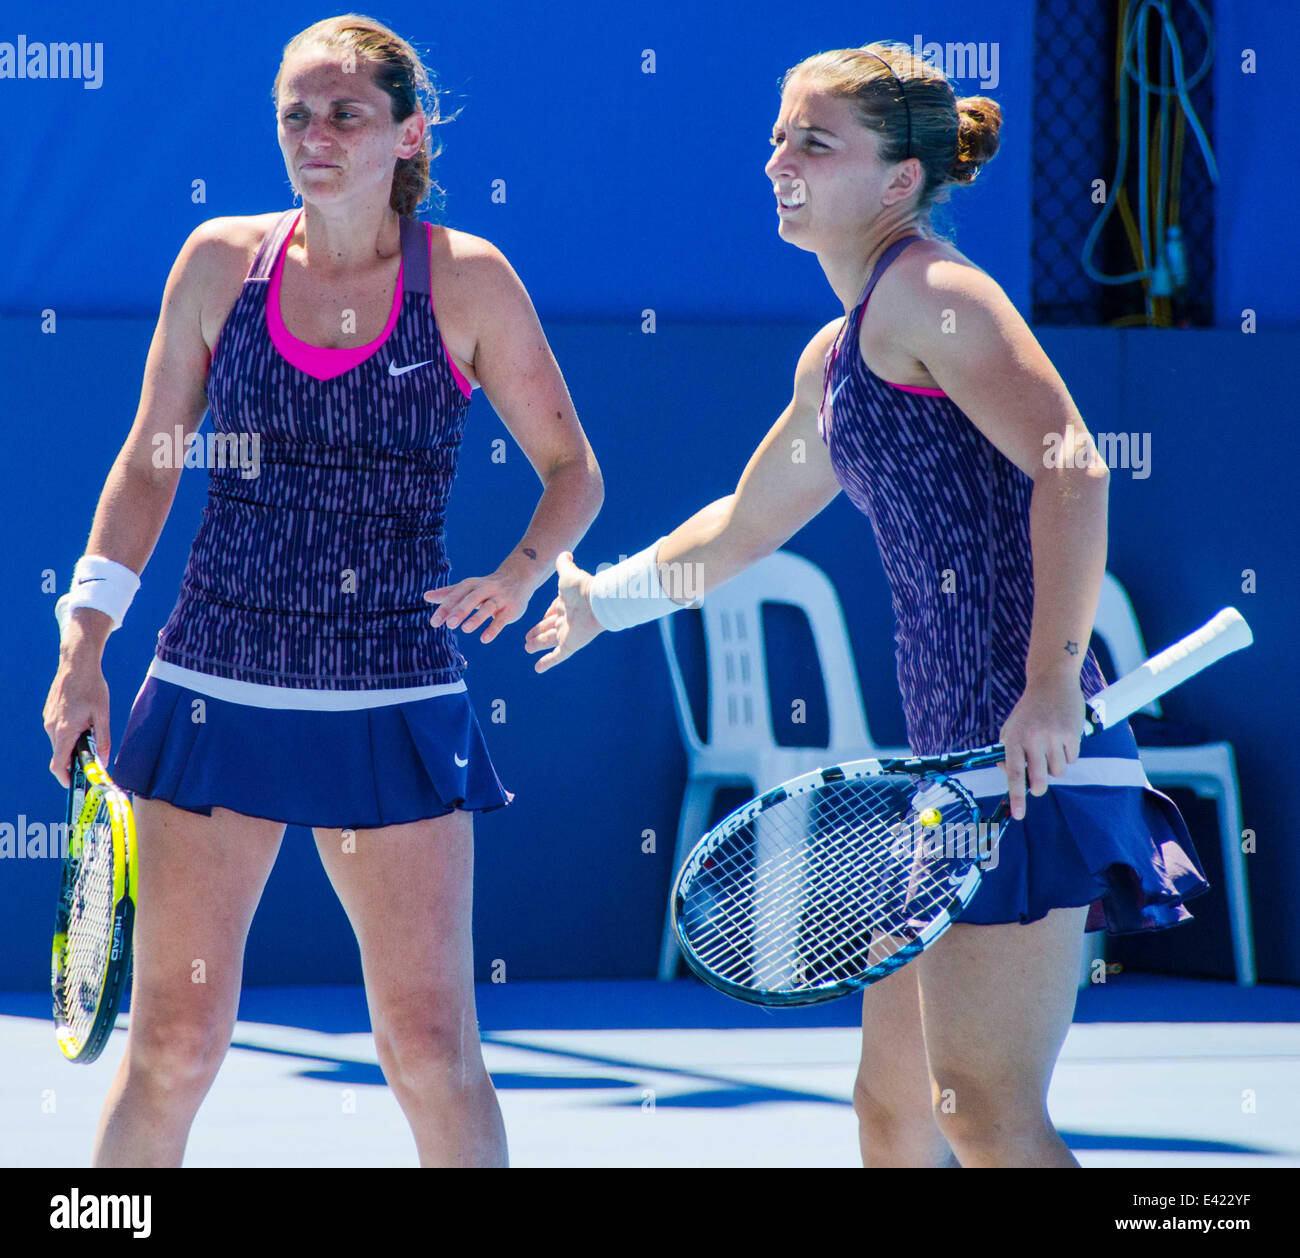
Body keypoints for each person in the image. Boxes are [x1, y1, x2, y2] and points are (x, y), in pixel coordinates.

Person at [519, 41, 1208, 1168]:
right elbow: (743, 525)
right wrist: (611, 599)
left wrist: (1046, 685)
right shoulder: (837, 354)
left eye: (815, 142)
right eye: (780, 135)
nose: (778, 161)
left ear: (898, 180)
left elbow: (1071, 466)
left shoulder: (935, 296)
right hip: (949, 768)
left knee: (982, 1111)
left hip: (1025, 756)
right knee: (895, 1108)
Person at [43, 14, 602, 1168]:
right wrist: (85, 642)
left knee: (430, 1045)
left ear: (409, 133)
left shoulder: (470, 281)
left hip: (391, 699)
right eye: (296, 113)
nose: (317, 134)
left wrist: (515, 576)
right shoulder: (216, 262)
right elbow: (151, 458)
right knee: (176, 1045)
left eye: (346, 112)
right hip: (210, 687)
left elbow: (573, 473)